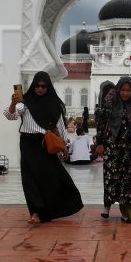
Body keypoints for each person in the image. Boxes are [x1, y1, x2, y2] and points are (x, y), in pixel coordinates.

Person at [4, 71, 83, 224]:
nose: (40, 89)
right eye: (37, 86)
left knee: (49, 178)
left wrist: (65, 146)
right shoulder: (25, 102)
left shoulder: (55, 103)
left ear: (48, 87)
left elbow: (60, 126)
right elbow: (10, 115)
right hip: (28, 143)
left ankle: (55, 208)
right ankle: (35, 212)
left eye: (44, 86)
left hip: (45, 144)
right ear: (33, 85)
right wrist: (14, 103)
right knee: (29, 178)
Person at [96, 77, 131, 222]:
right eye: (123, 90)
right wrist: (100, 143)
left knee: (128, 179)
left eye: (128, 90)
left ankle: (126, 210)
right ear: (118, 90)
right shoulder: (110, 104)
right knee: (110, 177)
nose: (125, 93)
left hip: (130, 147)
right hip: (112, 146)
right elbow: (101, 124)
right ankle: (106, 206)